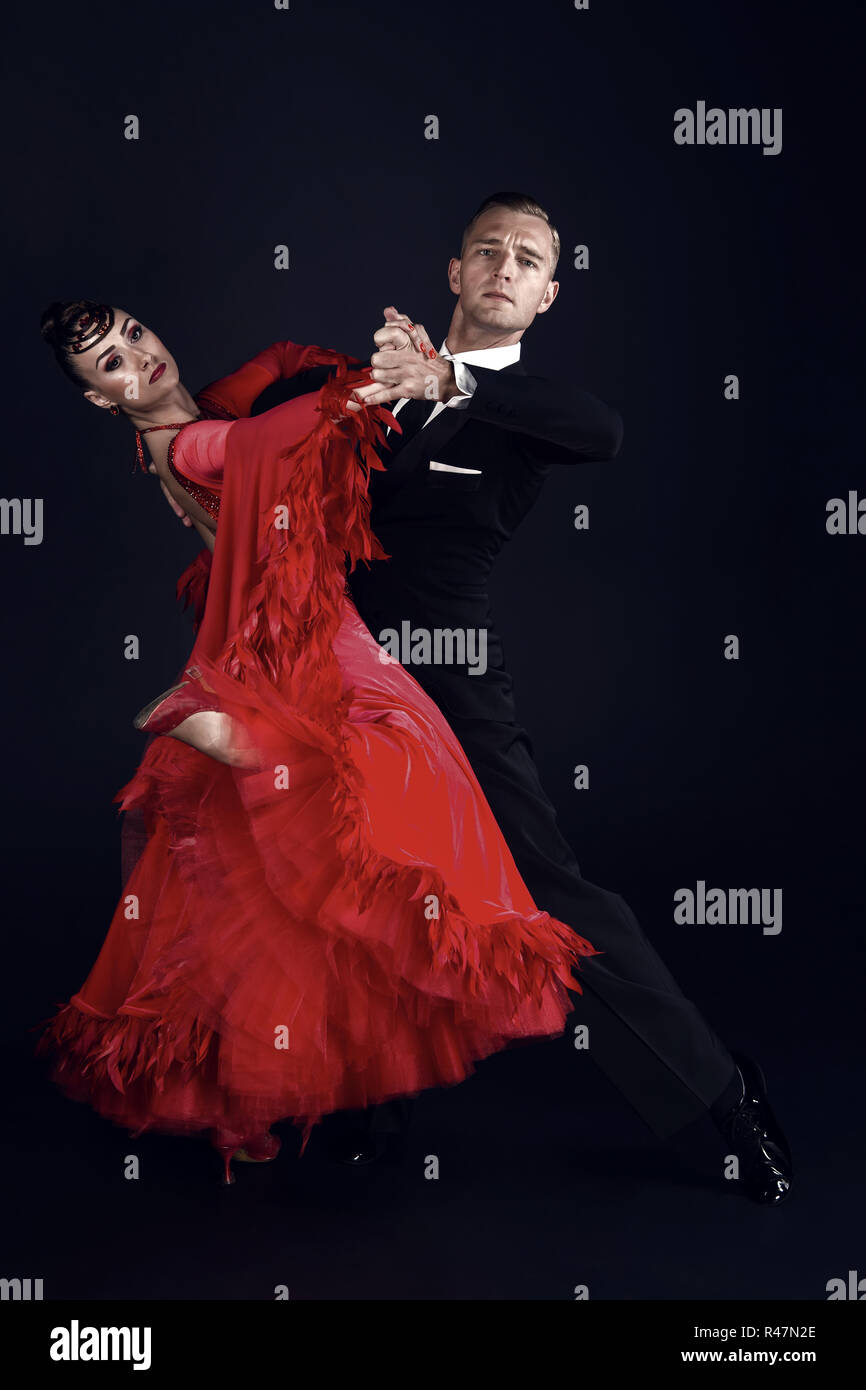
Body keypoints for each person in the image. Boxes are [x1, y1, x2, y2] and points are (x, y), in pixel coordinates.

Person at [34, 299, 602, 1185]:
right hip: (304, 643)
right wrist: (396, 376)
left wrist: (368, 356)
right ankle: (229, 729)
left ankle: (237, 736)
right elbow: (269, 442)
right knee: (405, 791)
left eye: (135, 335)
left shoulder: (210, 405)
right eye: (111, 365)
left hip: (298, 629)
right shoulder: (186, 445)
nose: (138, 360)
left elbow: (287, 358)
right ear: (102, 402)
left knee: (296, 876)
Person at [340, 191, 793, 1205]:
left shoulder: (519, 406)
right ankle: (362, 1103)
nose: (503, 265)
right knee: (347, 879)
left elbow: (602, 431)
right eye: (485, 251)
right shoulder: (372, 385)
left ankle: (717, 1097)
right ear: (453, 273)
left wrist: (450, 376)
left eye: (527, 259)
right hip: (338, 677)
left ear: (545, 294)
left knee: (544, 889)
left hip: (448, 680)